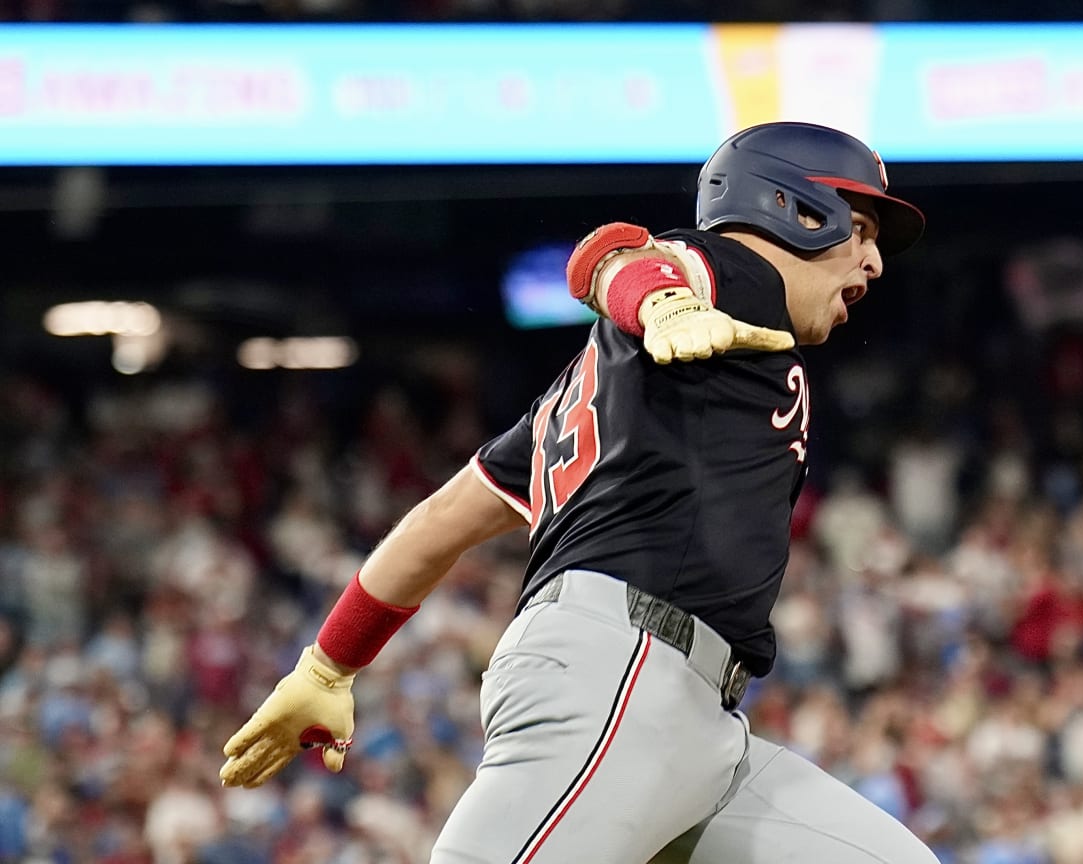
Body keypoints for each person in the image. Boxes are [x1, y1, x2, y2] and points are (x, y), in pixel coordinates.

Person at [218, 121, 938, 863]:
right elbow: (614, 253)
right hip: (620, 674)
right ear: (793, 208)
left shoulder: (604, 390)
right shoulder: (732, 277)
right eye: (857, 229)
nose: (874, 261)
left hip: (699, 723)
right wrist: (661, 300)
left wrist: (329, 663)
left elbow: (442, 520)